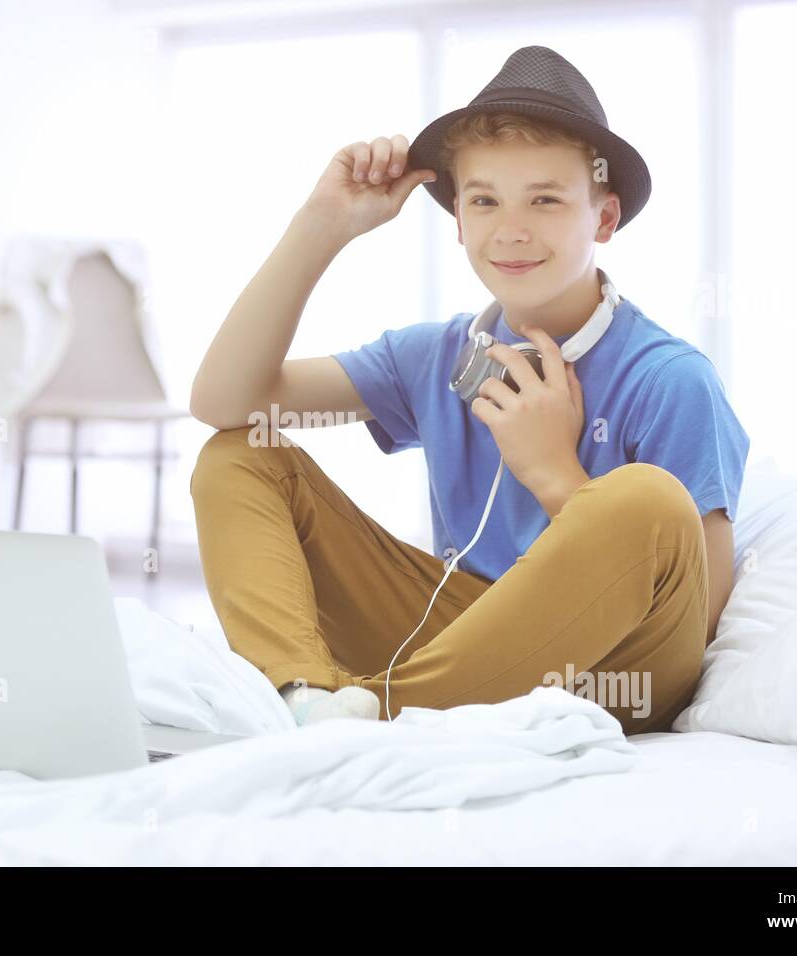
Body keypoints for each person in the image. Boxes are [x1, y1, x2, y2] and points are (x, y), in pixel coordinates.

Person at [188, 46, 750, 734]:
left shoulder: (669, 378)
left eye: (545, 199)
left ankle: (379, 712)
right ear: (458, 218)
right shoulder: (436, 357)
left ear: (604, 218)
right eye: (484, 201)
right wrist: (321, 227)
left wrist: (554, 473)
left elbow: (701, 614)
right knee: (239, 454)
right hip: (461, 640)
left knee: (646, 500)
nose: (511, 230)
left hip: (615, 668)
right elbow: (224, 401)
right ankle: (305, 700)